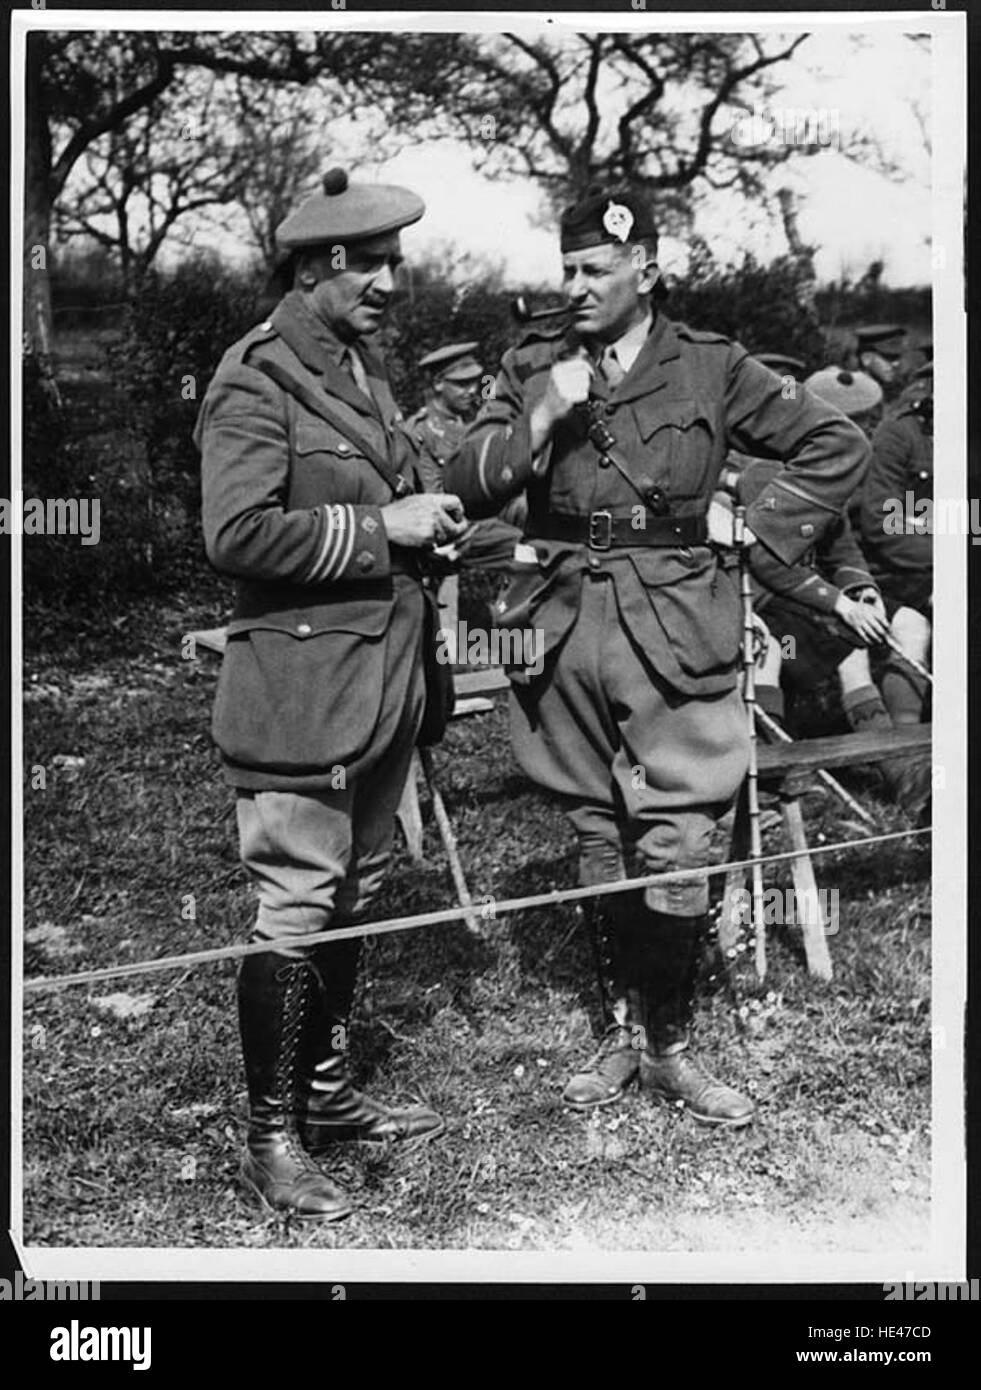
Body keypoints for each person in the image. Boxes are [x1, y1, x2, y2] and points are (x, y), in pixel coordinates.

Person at [444, 185, 870, 1127]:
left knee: (679, 833)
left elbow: (833, 441)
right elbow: (464, 482)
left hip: (677, 620)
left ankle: (669, 1043)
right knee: (596, 826)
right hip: (560, 623)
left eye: (597, 269)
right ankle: (619, 1034)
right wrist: (540, 418)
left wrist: (755, 533)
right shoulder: (531, 366)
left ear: (648, 270)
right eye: (568, 269)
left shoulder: (712, 366)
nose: (577, 286)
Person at [195, 168, 468, 1222]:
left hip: (380, 681)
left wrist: (425, 513)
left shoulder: (359, 367)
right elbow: (237, 534)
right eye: (374, 265)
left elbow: (378, 487)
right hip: (301, 691)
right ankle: (272, 1142)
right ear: (317, 267)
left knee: (349, 893)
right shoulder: (255, 378)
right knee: (298, 901)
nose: (393, 283)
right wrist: (379, 530)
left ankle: (323, 1093)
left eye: (395, 262)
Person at [858, 369, 933, 771]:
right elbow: (881, 521)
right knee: (914, 629)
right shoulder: (899, 435)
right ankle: (906, 759)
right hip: (894, 568)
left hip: (944, 557)